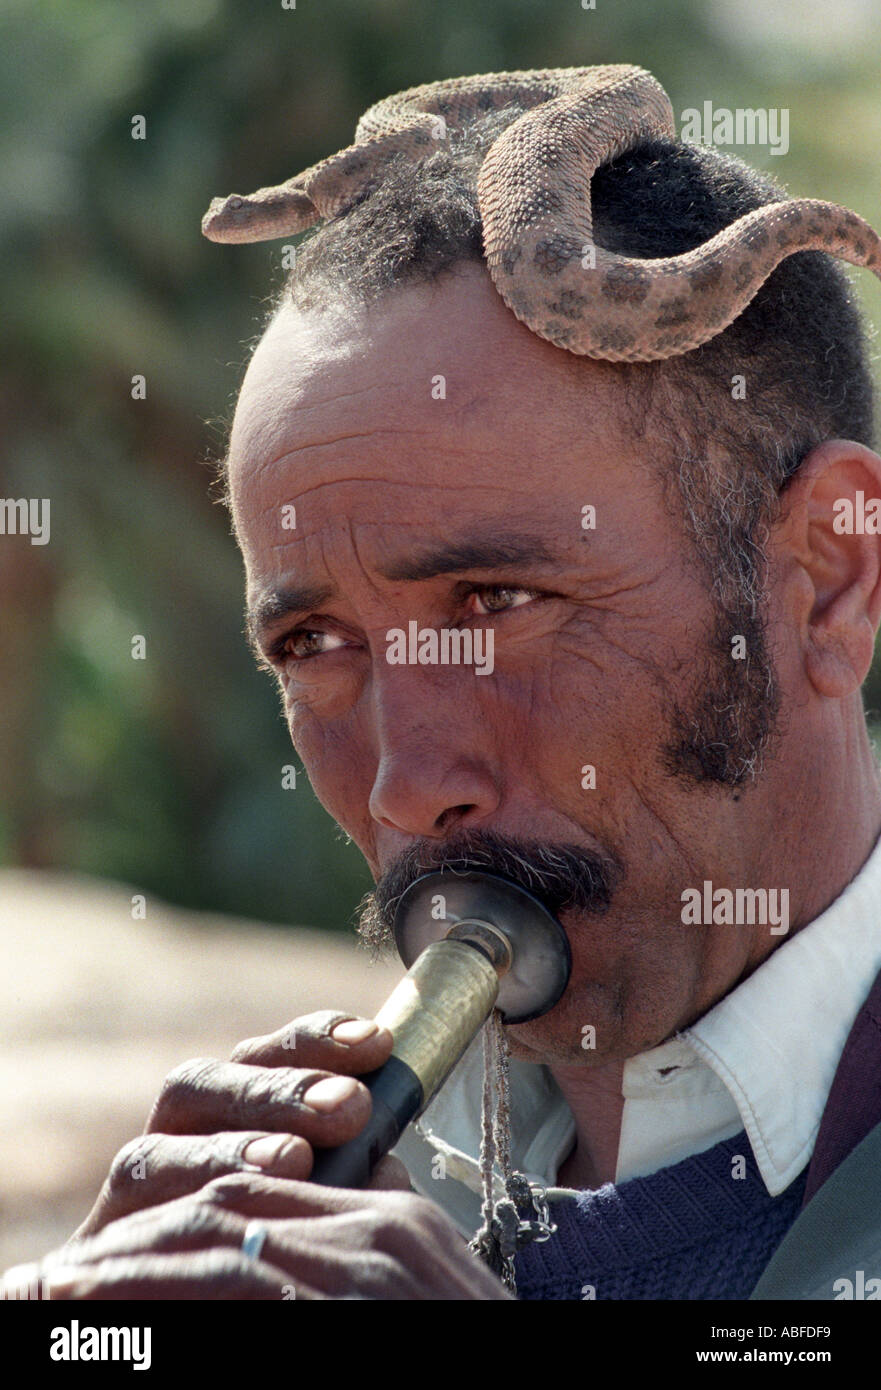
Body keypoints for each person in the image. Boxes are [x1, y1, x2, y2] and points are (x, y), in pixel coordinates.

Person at [5, 70, 881, 1301]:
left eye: (496, 605)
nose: (408, 786)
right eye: (314, 645)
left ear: (828, 579)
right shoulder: (346, 1184)